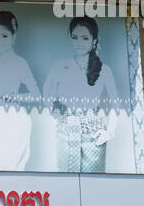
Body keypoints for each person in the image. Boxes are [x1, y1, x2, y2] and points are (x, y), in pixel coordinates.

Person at [43, 17, 120, 172]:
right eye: (75, 37)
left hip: (93, 133)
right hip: (67, 131)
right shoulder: (60, 66)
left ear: (94, 40)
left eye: (85, 38)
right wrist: (55, 118)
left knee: (93, 184)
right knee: (67, 180)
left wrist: (109, 132)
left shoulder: (104, 70)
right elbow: (47, 94)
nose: (79, 43)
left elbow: (116, 104)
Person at [0, 11, 39, 170]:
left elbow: (36, 95)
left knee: (10, 168)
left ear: (14, 37)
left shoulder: (20, 64)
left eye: (4, 36)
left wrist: (14, 97)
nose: (0, 41)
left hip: (14, 120)